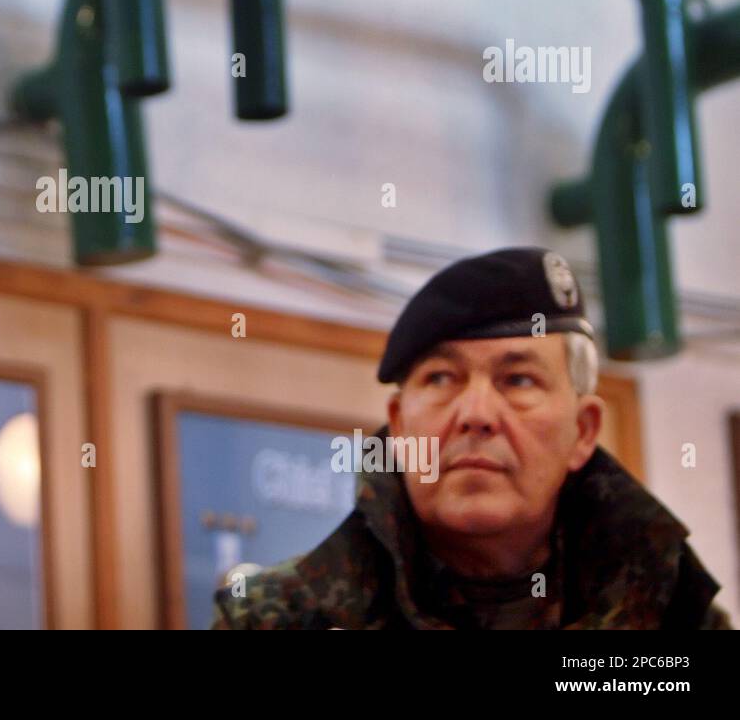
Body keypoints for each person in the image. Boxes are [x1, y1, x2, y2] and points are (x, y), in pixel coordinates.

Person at [212, 247, 730, 629]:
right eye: (441, 379)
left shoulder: (676, 619)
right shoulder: (280, 618)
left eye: (518, 379)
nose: (476, 414)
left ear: (583, 430)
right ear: (398, 426)